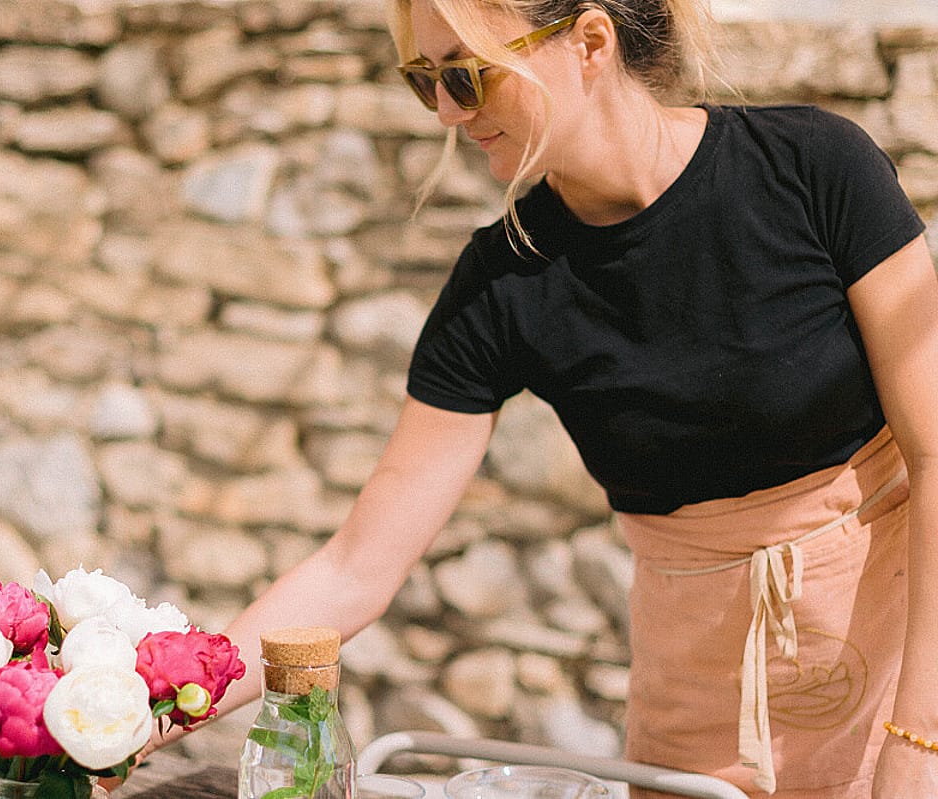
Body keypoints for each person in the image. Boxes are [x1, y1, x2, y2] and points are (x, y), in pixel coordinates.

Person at [145, 1, 938, 796]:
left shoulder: (815, 169)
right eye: (426, 84)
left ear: (591, 42)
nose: (450, 113)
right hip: (694, 723)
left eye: (467, 74)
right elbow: (355, 566)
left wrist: (918, 743)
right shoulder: (502, 283)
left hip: (902, 680)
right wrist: (149, 713)